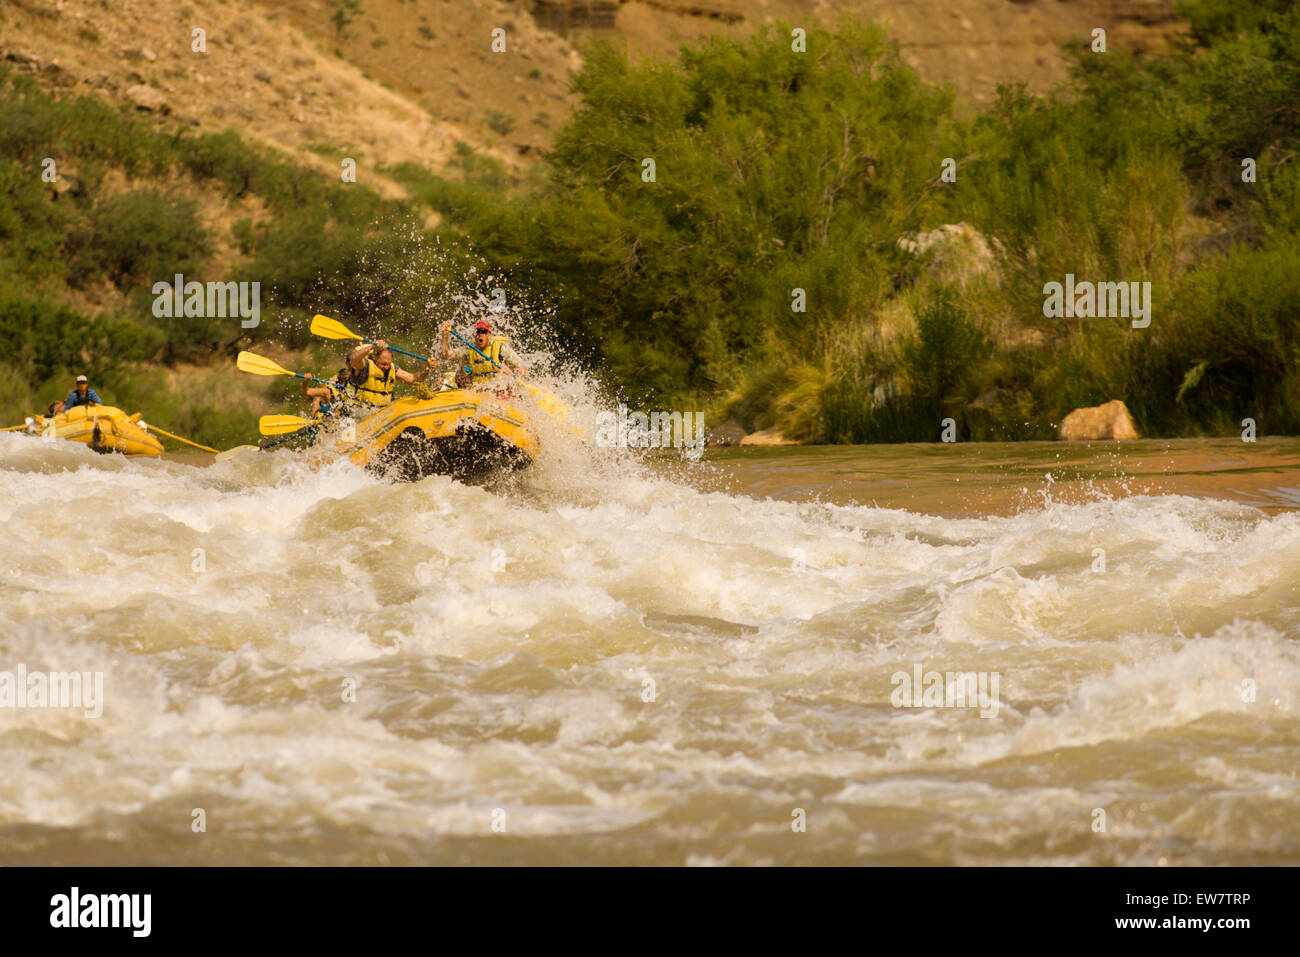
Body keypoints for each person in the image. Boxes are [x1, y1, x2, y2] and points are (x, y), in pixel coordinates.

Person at [345, 339, 435, 406]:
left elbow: (413, 379)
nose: (386, 367)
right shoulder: (364, 366)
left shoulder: (392, 368)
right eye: (383, 364)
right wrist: (372, 346)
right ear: (375, 359)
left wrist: (428, 368)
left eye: (388, 364)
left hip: (379, 413)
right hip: (358, 412)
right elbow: (353, 360)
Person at [438, 320, 526, 387]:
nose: (480, 335)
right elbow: (444, 355)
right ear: (474, 335)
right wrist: (445, 335)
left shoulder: (500, 349)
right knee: (461, 374)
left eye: (484, 331)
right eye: (478, 332)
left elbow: (524, 368)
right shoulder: (469, 350)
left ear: (489, 335)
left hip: (497, 390)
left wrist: (515, 371)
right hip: (477, 392)